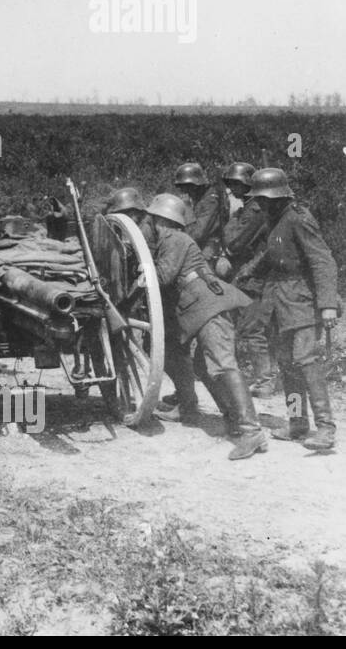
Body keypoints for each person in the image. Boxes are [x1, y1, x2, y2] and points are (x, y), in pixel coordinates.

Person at [143, 194, 266, 460]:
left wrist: (141, 267)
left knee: (222, 363)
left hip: (209, 307)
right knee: (203, 366)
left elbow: (163, 276)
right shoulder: (172, 239)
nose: (148, 224)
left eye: (151, 219)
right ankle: (233, 418)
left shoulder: (174, 238)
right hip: (202, 307)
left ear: (160, 220)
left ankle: (251, 430)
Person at [236, 168, 339, 451]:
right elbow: (272, 252)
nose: (259, 203)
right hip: (278, 302)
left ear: (279, 197)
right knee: (287, 365)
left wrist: (328, 304)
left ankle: (326, 428)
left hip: (302, 301)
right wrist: (249, 271)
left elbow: (322, 260)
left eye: (264, 198)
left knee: (306, 360)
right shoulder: (274, 219)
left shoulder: (298, 218)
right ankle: (297, 423)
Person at [220, 162, 274, 397]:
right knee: (238, 324)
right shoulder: (253, 207)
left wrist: (232, 218)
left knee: (251, 327)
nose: (233, 189)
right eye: (231, 184)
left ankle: (265, 380)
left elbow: (234, 244)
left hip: (252, 275)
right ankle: (240, 375)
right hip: (251, 274)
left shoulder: (252, 210)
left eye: (237, 184)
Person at [173, 162, 226, 260]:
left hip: (210, 247)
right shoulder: (198, 198)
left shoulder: (210, 200)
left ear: (195, 185)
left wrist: (187, 207)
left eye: (185, 186)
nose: (182, 190)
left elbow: (197, 234)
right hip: (197, 244)